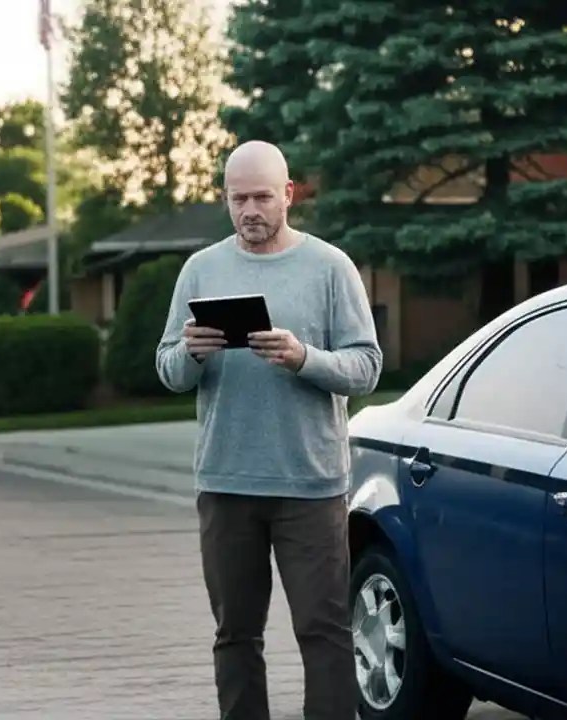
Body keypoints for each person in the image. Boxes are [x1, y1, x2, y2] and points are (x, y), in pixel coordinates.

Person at [156, 140, 383, 720]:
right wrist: (192, 351)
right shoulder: (201, 269)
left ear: (288, 195)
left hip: (310, 485)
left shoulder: (330, 267)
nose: (249, 210)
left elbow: (366, 367)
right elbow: (169, 371)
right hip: (227, 483)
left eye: (261, 196)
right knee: (235, 636)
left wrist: (304, 357)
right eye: (238, 199)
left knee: (324, 631)